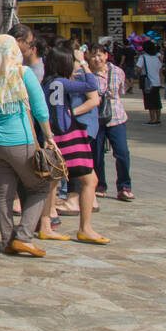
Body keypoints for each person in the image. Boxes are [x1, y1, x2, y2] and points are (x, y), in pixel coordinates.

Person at [0, 34, 61, 256]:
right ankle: (23, 236)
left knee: (4, 194)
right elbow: (40, 109)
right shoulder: (23, 74)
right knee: (41, 186)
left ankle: (7, 240)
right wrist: (49, 136)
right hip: (21, 141)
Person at [45, 45, 108, 244]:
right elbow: (92, 85)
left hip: (53, 136)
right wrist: (84, 63)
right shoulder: (62, 83)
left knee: (53, 182)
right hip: (70, 137)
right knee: (90, 181)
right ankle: (85, 228)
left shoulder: (45, 83)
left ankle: (46, 225)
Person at [88, 45, 134, 203]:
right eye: (93, 55)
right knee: (97, 153)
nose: (97, 59)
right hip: (95, 119)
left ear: (106, 56)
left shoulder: (117, 72)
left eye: (100, 55)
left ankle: (124, 186)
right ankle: (100, 184)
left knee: (122, 152)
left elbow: (120, 93)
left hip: (116, 117)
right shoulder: (87, 74)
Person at [137, 41, 164, 124]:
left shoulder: (143, 57)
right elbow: (160, 69)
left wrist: (139, 75)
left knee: (149, 101)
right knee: (157, 100)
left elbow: (138, 68)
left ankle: (152, 119)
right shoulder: (157, 57)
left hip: (148, 82)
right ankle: (158, 118)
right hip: (156, 82)